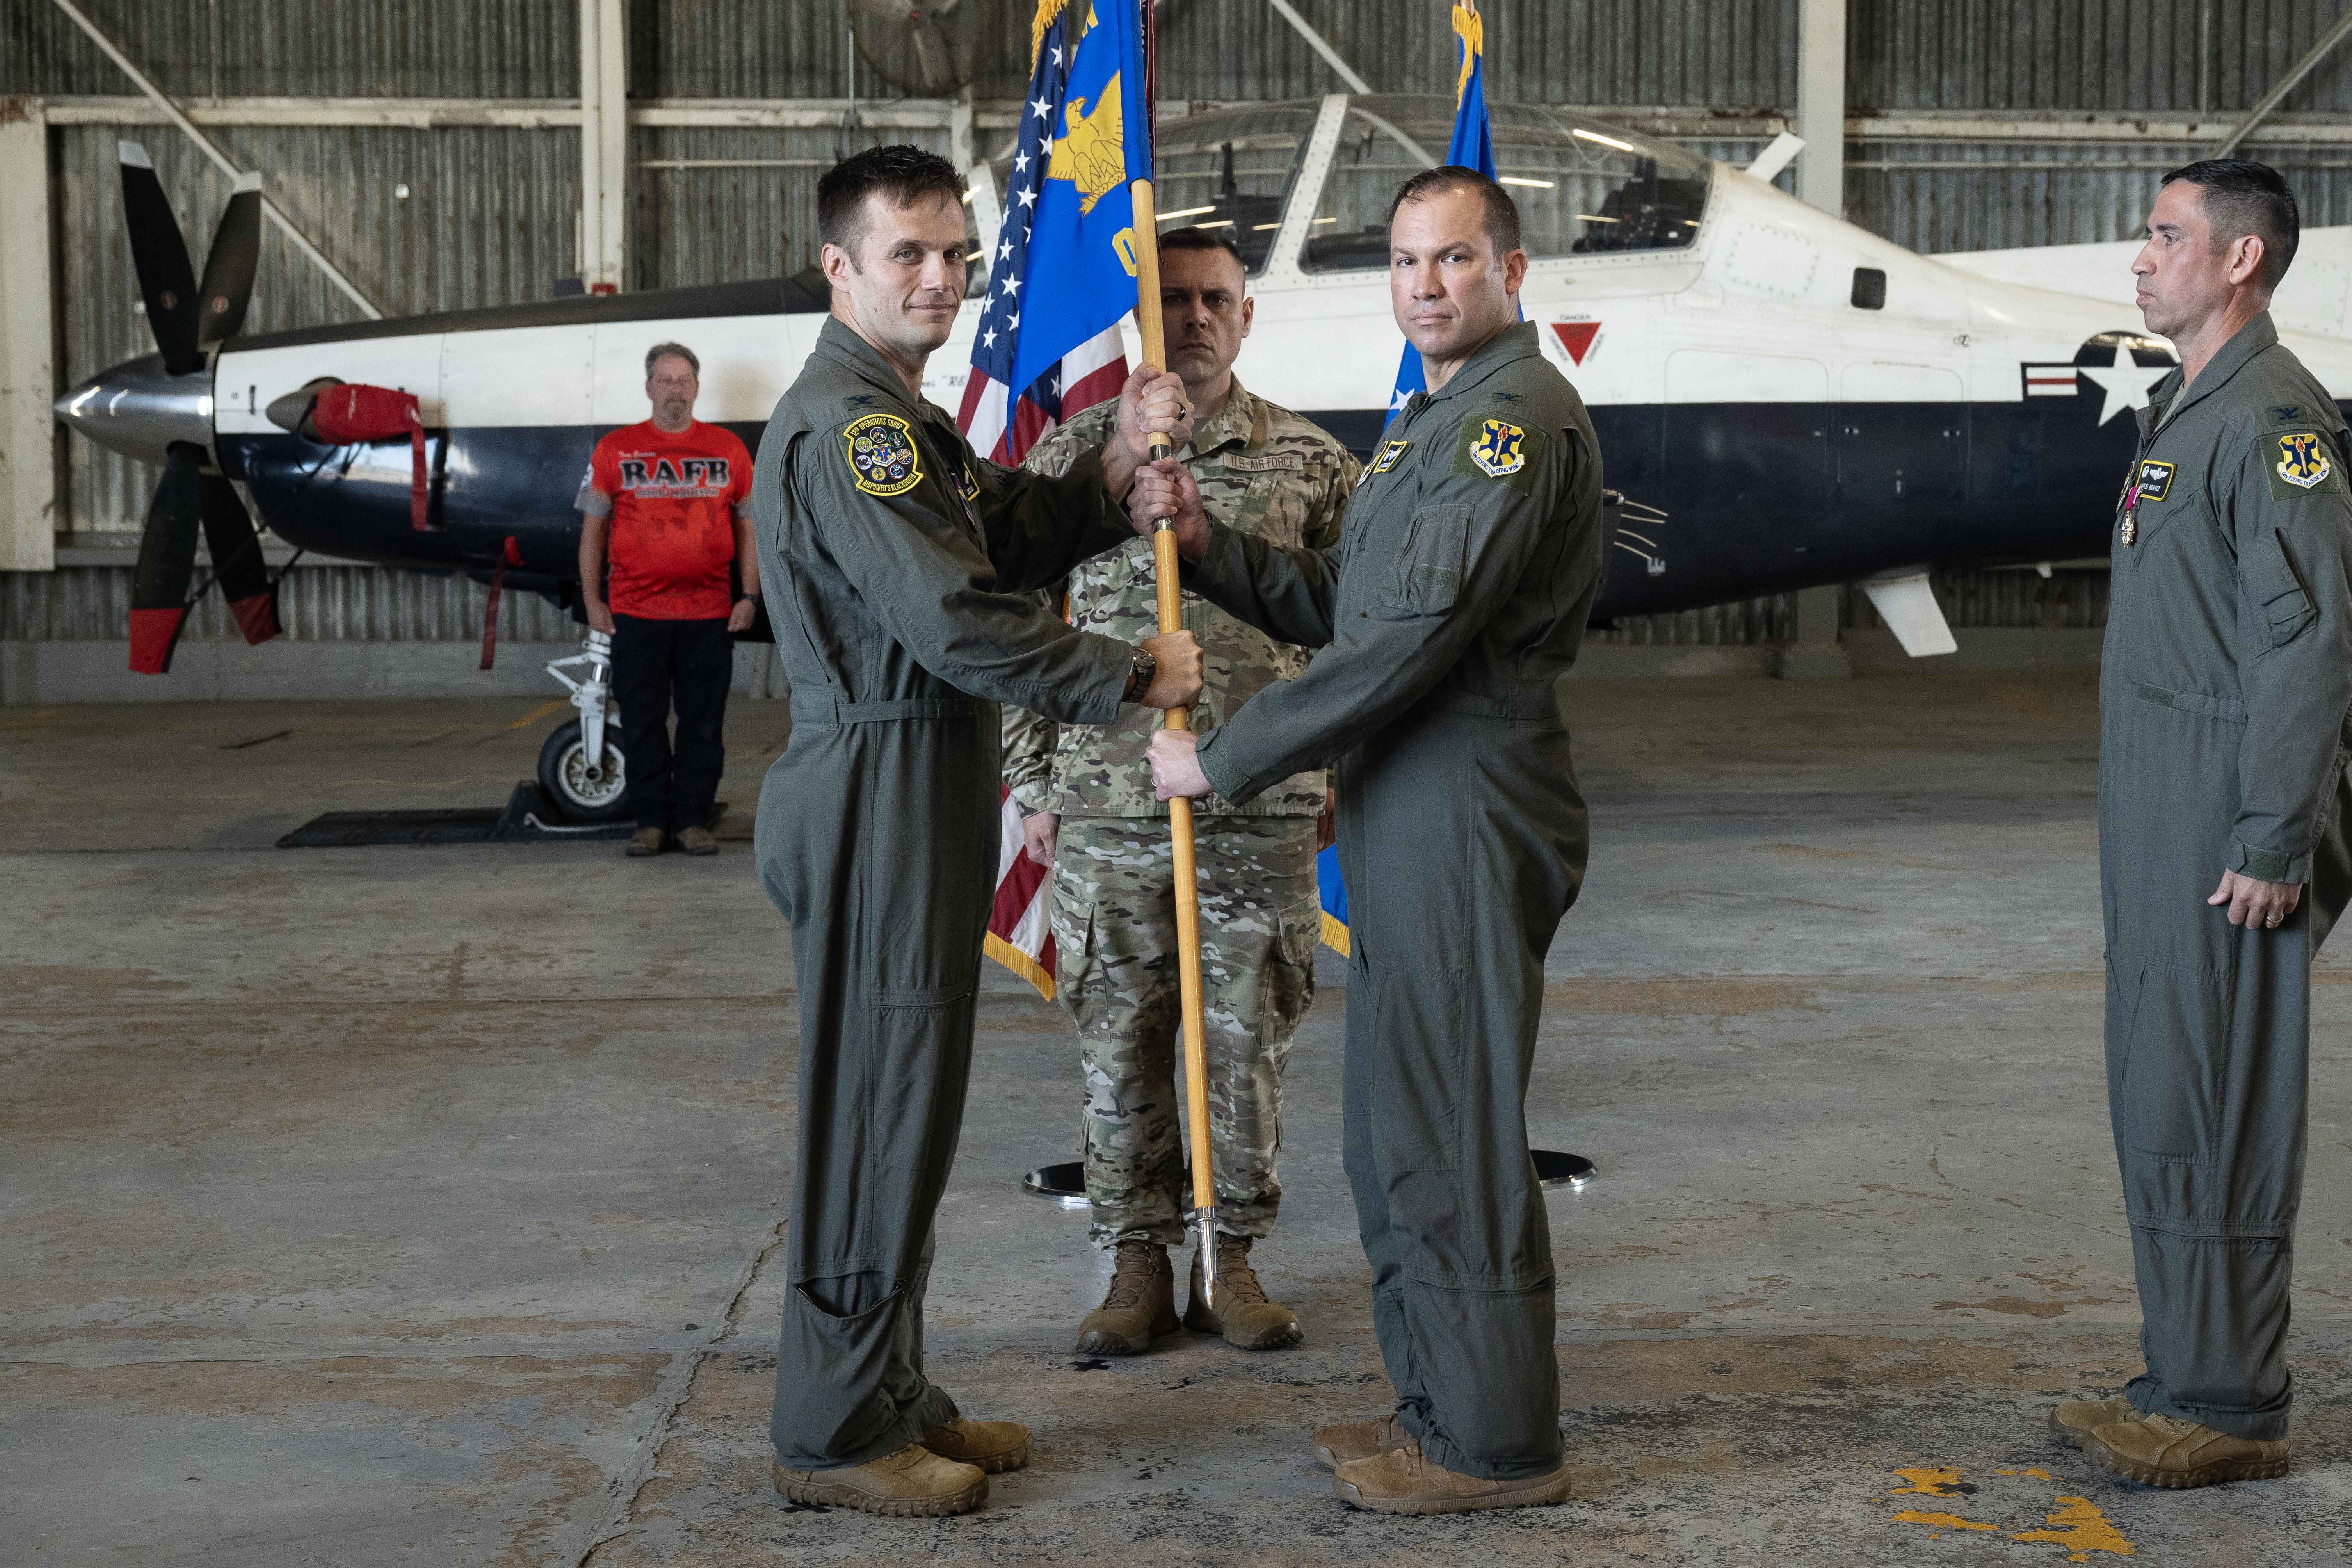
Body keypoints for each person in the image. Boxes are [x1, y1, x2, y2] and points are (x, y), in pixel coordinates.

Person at [1134, 166, 1603, 1514]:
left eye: (1453, 259)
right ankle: (1434, 1402)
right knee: (1396, 1130)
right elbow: (1353, 598)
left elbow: (1409, 639)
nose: (1424, 285)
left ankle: (1493, 1444)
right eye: (1404, 261)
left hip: (1466, 791)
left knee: (1449, 1127)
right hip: (1409, 788)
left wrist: (1223, 756)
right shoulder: (1432, 417)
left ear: (1511, 272)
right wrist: (1209, 543)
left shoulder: (1511, 420)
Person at [749, 144, 1201, 1518]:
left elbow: (995, 534)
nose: (941, 278)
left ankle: (887, 1386)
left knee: (915, 1101)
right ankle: (834, 1430)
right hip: (873, 781)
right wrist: (1131, 672)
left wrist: (1110, 467)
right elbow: (952, 617)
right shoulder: (853, 427)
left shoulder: (903, 416)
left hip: (917, 771)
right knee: (875, 1107)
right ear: (839, 268)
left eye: (957, 253)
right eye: (909, 253)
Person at [2043, 159, 2352, 1489]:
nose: (2139, 257)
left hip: (2230, 826)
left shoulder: (2273, 419)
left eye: (2165, 236)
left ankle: (2230, 1401)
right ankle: (2180, 1371)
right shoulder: (2190, 409)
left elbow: (2309, 645)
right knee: (2167, 1091)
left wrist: (2274, 833)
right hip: (2166, 817)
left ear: (2239, 260)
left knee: (2220, 1101)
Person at [1003, 226, 1361, 1358]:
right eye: (1174, 300)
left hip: (1259, 805)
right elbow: (1015, 621)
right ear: (1143, 320)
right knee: (1120, 1040)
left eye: (1216, 299)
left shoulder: (1311, 462)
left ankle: (1230, 1257)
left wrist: (1334, 764)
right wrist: (1033, 779)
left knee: (1245, 1041)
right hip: (1109, 801)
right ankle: (1135, 1263)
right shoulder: (1079, 457)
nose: (1196, 318)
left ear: (1247, 316)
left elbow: (1358, 632)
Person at [577, 343, 759, 858]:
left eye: (683, 380)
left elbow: (750, 529)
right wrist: (593, 600)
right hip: (635, 614)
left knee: (703, 723)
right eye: (665, 380)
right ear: (648, 387)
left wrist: (749, 595)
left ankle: (694, 822)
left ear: (697, 388)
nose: (675, 389)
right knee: (642, 721)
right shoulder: (614, 450)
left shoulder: (729, 449)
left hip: (709, 614)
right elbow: (592, 532)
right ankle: (651, 823)